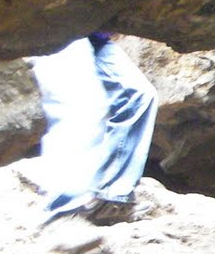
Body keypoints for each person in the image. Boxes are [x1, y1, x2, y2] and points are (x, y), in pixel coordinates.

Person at [28, 31, 159, 223]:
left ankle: (110, 198)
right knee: (80, 108)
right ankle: (62, 213)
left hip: (94, 37)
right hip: (60, 30)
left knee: (139, 95)